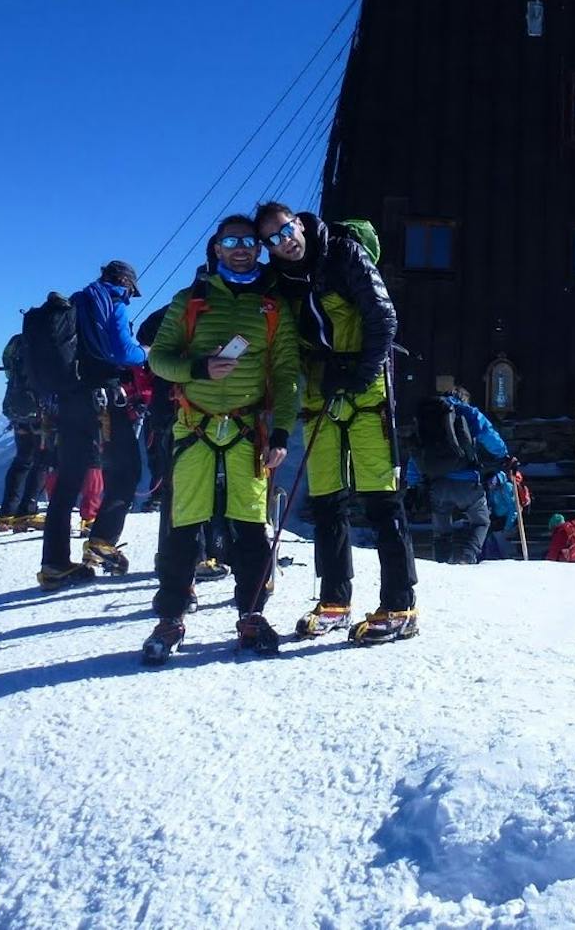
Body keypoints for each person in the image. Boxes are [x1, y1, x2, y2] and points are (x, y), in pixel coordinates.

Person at [255, 201, 418, 644]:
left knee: (381, 500)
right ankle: (334, 601)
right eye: (272, 238)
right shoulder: (279, 280)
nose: (284, 241)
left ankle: (400, 605)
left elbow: (382, 317)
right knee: (326, 501)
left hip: (366, 390)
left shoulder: (342, 252)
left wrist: (359, 373)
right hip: (318, 392)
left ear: (298, 222)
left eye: (286, 229)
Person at [144, 215, 299, 659]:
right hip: (194, 424)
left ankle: (251, 614)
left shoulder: (273, 307)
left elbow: (287, 376)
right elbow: (160, 360)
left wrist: (282, 433)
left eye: (249, 241)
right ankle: (170, 617)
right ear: (216, 248)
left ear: (258, 248)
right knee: (183, 525)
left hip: (249, 431)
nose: (240, 248)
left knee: (250, 527)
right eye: (230, 241)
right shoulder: (190, 300)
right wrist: (198, 369)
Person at [38, 261, 148, 590]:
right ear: (125, 282)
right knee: (126, 471)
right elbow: (123, 352)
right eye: (131, 290)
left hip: (69, 399)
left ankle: (54, 564)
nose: (130, 296)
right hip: (103, 398)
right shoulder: (112, 302)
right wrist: (146, 353)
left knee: (69, 478)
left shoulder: (76, 302)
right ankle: (102, 540)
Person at [409, 386, 511, 565]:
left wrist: (413, 482)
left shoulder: (430, 416)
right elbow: (488, 434)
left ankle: (441, 561)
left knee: (441, 527)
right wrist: (503, 455)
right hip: (467, 482)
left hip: (438, 483)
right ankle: (467, 556)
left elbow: (417, 453)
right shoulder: (467, 412)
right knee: (481, 522)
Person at [0, 334, 51, 532]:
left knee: (22, 459)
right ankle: (28, 511)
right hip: (40, 408)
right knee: (42, 461)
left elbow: (8, 370)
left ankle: (6, 514)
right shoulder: (50, 342)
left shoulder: (17, 341)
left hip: (17, 405)